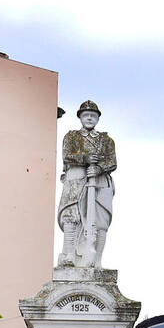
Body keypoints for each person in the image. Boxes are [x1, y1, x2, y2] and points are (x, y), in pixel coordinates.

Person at [57, 100, 116, 267]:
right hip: (76, 179)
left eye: (93, 115)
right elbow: (67, 155)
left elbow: (112, 161)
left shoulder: (106, 140)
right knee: (71, 216)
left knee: (100, 221)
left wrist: (99, 169)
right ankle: (69, 255)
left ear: (97, 118)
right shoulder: (72, 137)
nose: (89, 118)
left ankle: (96, 261)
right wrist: (85, 159)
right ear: (80, 118)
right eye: (86, 115)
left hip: (99, 182)